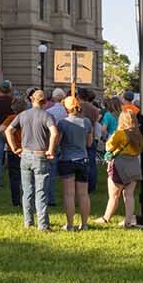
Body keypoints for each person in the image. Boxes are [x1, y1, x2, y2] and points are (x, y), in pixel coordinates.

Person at [11, 90, 59, 230]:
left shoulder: (23, 115)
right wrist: (50, 149)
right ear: (44, 102)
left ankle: (28, 222)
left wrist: (15, 147)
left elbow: (8, 130)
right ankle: (43, 224)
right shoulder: (47, 115)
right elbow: (55, 133)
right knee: (41, 190)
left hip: (25, 155)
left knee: (27, 190)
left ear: (31, 100)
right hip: (40, 155)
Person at [98, 107, 143, 227]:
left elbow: (108, 147)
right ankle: (128, 220)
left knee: (114, 195)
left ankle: (106, 218)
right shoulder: (139, 135)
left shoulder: (120, 134)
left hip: (120, 165)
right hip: (134, 164)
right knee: (129, 195)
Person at [55, 94, 94, 231]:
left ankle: (70, 225)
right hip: (82, 159)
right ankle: (84, 224)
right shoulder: (87, 122)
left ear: (66, 108)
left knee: (69, 194)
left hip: (67, 159)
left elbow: (57, 142)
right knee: (83, 194)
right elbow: (89, 143)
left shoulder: (63, 123)